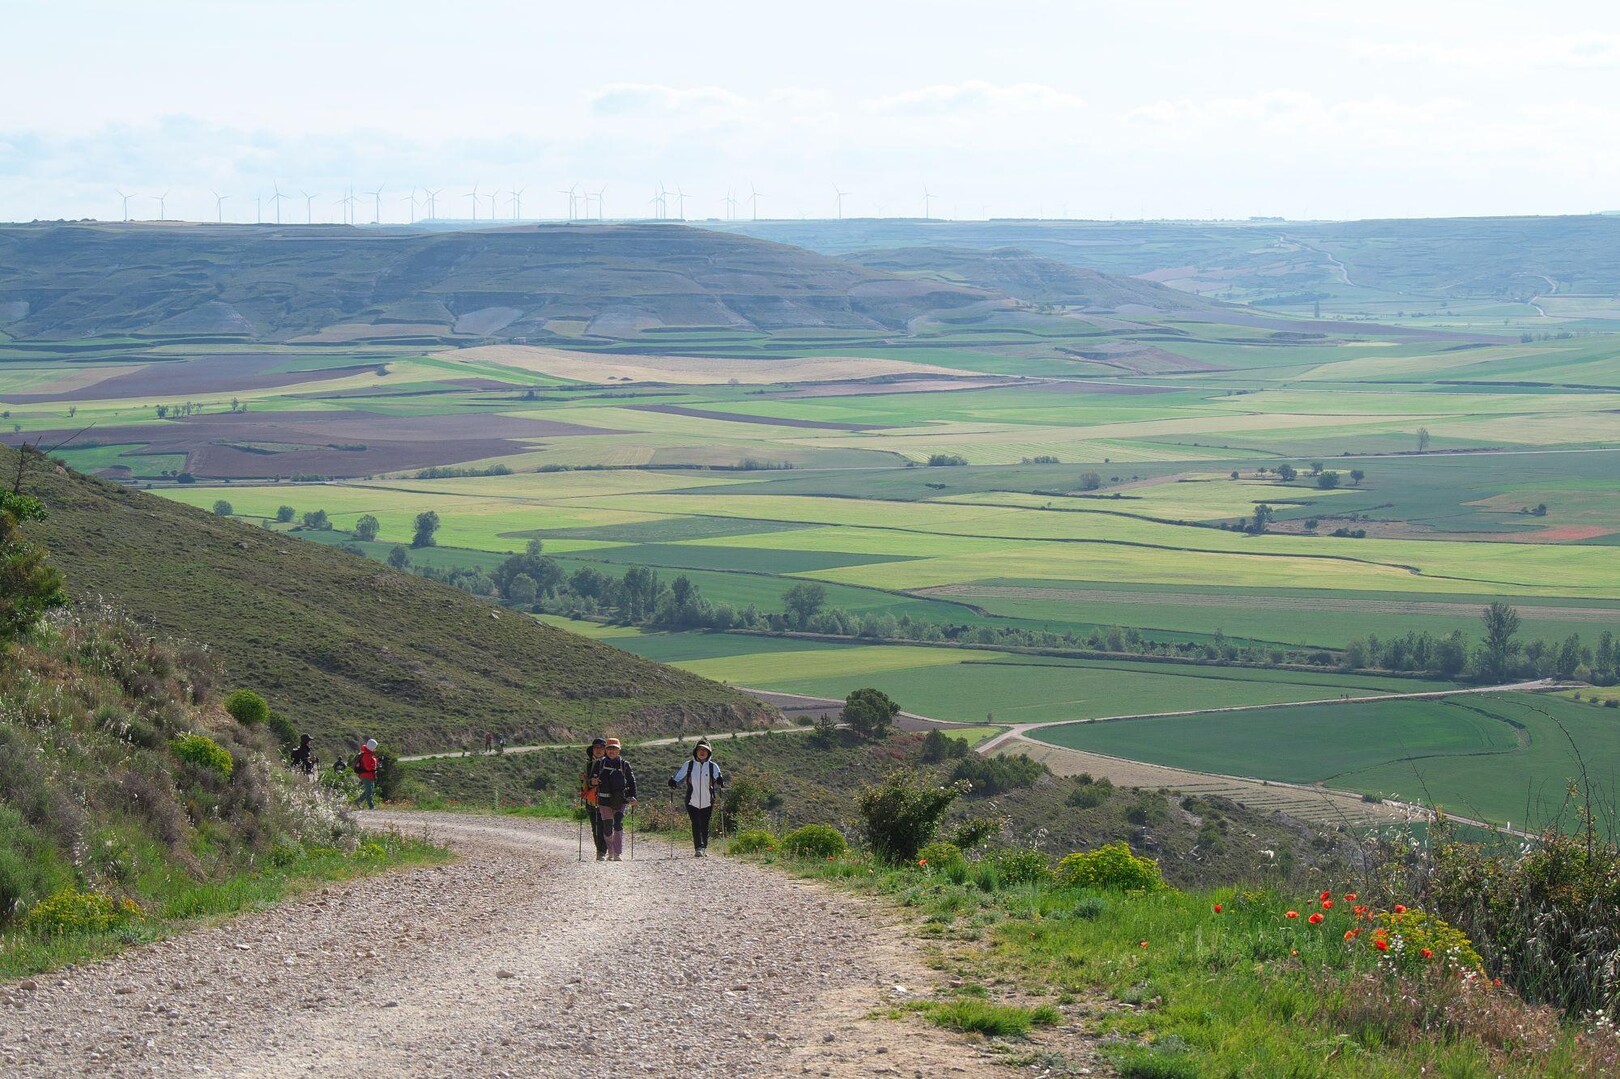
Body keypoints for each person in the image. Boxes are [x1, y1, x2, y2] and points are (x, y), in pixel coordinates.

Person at [669, 739, 724, 857]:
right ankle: (698, 847)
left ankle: (703, 847)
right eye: (700, 749)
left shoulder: (713, 766)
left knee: (705, 824)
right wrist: (673, 782)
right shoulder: (688, 765)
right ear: (695, 752)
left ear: (709, 752)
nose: (702, 752)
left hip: (708, 801)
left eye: (705, 750)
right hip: (691, 801)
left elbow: (718, 782)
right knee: (696, 823)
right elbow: (678, 779)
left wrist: (720, 781)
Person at [587, 737, 637, 861]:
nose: (611, 751)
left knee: (618, 824)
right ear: (606, 750)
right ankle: (610, 851)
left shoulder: (624, 765)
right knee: (607, 827)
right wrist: (592, 782)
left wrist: (633, 796)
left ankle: (617, 853)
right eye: (609, 748)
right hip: (604, 800)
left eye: (614, 749)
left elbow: (632, 781)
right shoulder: (600, 764)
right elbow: (591, 781)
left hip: (621, 800)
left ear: (619, 750)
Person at [580, 738, 609, 861]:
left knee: (605, 826)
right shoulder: (588, 764)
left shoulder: (608, 764)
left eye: (601, 748)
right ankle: (600, 851)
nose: (598, 750)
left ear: (605, 750)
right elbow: (583, 785)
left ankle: (604, 851)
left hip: (605, 800)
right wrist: (583, 780)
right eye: (596, 748)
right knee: (595, 827)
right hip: (591, 800)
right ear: (592, 750)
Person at [355, 738, 379, 809]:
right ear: (373, 747)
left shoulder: (368, 754)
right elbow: (368, 767)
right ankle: (371, 806)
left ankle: (358, 801)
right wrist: (374, 767)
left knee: (369, 790)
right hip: (366, 775)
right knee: (369, 791)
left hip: (368, 775)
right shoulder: (367, 755)